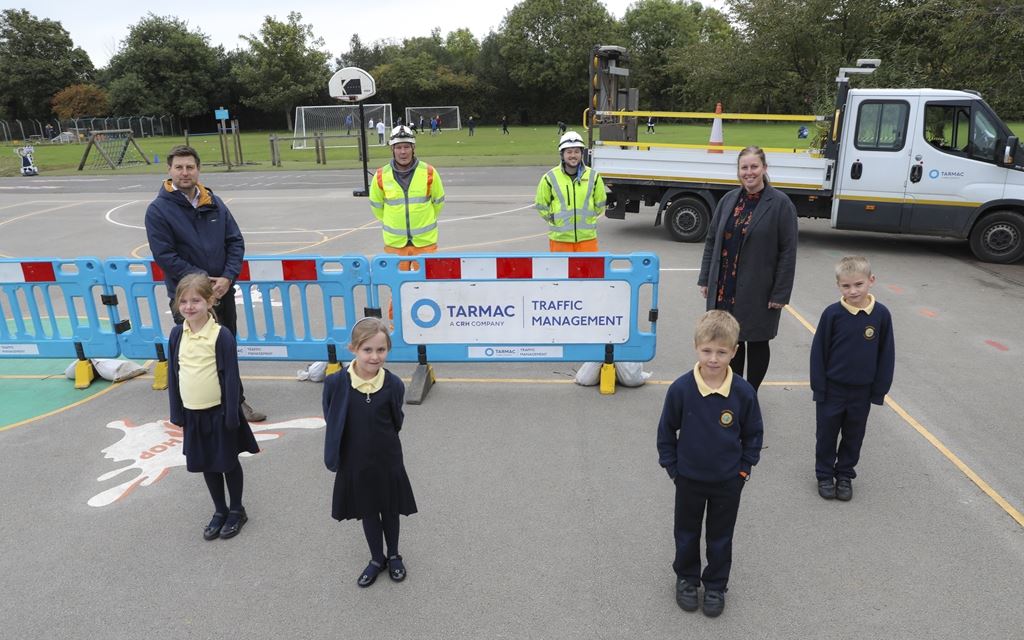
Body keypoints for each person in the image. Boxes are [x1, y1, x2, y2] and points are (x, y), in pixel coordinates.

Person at [145, 145, 266, 423]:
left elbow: (234, 241)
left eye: (190, 167)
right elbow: (165, 256)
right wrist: (202, 285)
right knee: (194, 355)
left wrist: (227, 276)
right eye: (179, 167)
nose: (185, 172)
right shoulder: (158, 210)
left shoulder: (214, 202)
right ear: (169, 170)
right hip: (189, 298)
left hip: (222, 291)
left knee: (226, 348)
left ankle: (236, 403)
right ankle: (193, 408)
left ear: (198, 169)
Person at [657, 310, 763, 618]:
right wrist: (673, 467)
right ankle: (687, 579)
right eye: (707, 351)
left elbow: (754, 432)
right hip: (689, 478)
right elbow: (666, 431)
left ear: (734, 351)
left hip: (728, 481)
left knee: (721, 535)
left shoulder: (743, 392)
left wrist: (744, 469)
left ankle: (716, 584)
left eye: (721, 352)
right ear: (696, 347)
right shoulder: (681, 389)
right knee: (687, 532)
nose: (713, 359)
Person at [323, 317, 417, 587]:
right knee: (368, 510)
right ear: (353, 348)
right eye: (367, 350)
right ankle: (377, 558)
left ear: (388, 349)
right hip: (355, 461)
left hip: (387, 458)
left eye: (381, 350)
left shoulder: (394, 384)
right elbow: (333, 418)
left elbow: (396, 420)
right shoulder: (336, 384)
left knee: (389, 508)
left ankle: (394, 554)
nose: (375, 356)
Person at [167, 273, 260, 541]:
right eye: (183, 301)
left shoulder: (221, 335)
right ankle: (219, 510)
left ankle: (237, 509)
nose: (189, 306)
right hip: (193, 413)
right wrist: (177, 411)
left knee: (228, 462)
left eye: (196, 300)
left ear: (210, 301)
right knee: (207, 463)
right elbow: (175, 375)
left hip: (220, 412)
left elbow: (231, 377)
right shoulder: (177, 334)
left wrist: (232, 412)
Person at [698, 145, 798, 391]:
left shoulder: (781, 204)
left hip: (760, 287)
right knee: (731, 340)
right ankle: (733, 389)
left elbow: (788, 251)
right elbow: (712, 240)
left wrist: (780, 294)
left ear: (764, 168)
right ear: (738, 171)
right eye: (744, 167)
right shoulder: (729, 200)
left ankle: (750, 392)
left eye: (754, 166)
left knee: (756, 340)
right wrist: (705, 279)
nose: (749, 172)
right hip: (725, 285)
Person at [810, 256, 895, 501]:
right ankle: (824, 474)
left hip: (862, 391)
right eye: (846, 286)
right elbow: (819, 353)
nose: (853, 291)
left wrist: (878, 391)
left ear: (871, 281)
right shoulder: (832, 314)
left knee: (853, 435)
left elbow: (886, 354)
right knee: (826, 433)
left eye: (858, 284)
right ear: (838, 285)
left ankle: (845, 474)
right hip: (832, 390)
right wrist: (819, 388)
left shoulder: (880, 315)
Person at [535, 131, 605, 252]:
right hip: (560, 240)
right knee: (560, 271)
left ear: (581, 154)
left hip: (587, 239)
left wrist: (587, 220)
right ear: (562, 154)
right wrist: (555, 220)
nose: (573, 155)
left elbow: (600, 204)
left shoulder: (594, 176)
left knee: (589, 271)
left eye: (577, 151)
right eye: (569, 152)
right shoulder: (549, 178)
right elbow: (541, 205)